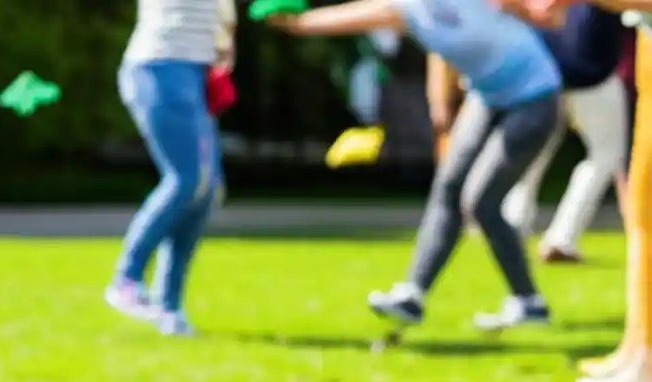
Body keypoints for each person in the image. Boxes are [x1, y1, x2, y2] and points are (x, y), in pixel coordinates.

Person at [262, 0, 563, 331]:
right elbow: (355, 17)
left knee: (481, 202)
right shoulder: (408, 10)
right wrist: (300, 24)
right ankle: (412, 296)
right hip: (487, 97)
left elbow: (535, 13)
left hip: (535, 97)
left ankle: (529, 303)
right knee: (448, 188)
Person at [104, 0, 235, 336]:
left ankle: (169, 305)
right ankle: (127, 279)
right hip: (159, 65)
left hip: (196, 70)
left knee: (207, 191)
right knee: (187, 179)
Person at [501, 4, 629, 264]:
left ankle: (513, 224)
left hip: (548, 69)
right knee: (605, 155)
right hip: (590, 74)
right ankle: (561, 236)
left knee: (536, 151)